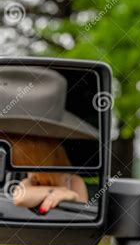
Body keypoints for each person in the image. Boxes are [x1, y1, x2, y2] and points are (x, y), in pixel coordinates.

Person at [0, 66, 100, 214]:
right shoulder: (30, 180)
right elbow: (20, 197)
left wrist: (71, 197)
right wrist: (55, 191)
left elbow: (81, 222)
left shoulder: (73, 181)